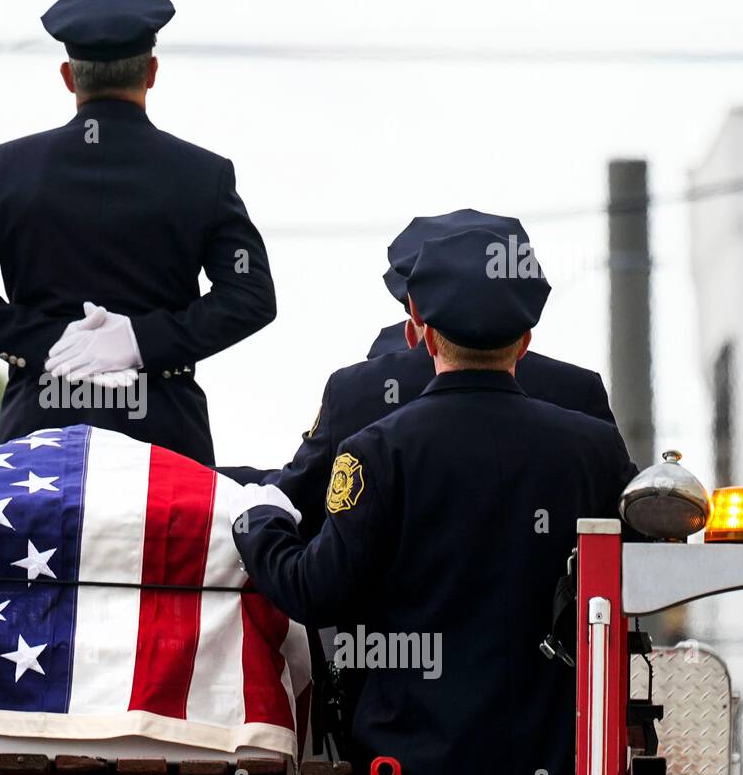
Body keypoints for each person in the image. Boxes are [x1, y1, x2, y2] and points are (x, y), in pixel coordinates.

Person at [229, 228, 637, 775]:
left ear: (416, 323)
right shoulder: (594, 449)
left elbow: (316, 590)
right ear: (526, 339)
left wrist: (260, 519)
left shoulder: (378, 449)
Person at [0, 0, 275, 466]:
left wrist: (51, 344)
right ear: (151, 72)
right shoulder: (204, 175)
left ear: (68, 76)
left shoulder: (6, 169)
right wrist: (140, 343)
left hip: (39, 437)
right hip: (165, 437)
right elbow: (250, 296)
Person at [237, 211, 616, 534]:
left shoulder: (358, 390)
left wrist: (232, 496)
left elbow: (297, 497)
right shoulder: (579, 394)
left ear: (415, 317)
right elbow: (624, 525)